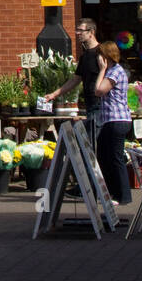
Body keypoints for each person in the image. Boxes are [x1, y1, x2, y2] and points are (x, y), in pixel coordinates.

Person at [94, 41, 132, 211]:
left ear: (106, 56)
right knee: (103, 155)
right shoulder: (112, 71)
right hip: (109, 120)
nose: (98, 59)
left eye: (100, 55)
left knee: (115, 157)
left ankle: (122, 195)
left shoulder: (115, 71)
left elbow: (99, 90)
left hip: (117, 120)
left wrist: (102, 70)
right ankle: (110, 192)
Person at [52, 19, 100, 143]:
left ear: (91, 32)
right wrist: (54, 94)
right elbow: (75, 80)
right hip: (90, 106)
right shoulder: (84, 56)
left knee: (97, 142)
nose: (77, 33)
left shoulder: (101, 52)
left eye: (81, 30)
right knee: (91, 142)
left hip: (101, 105)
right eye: (77, 30)